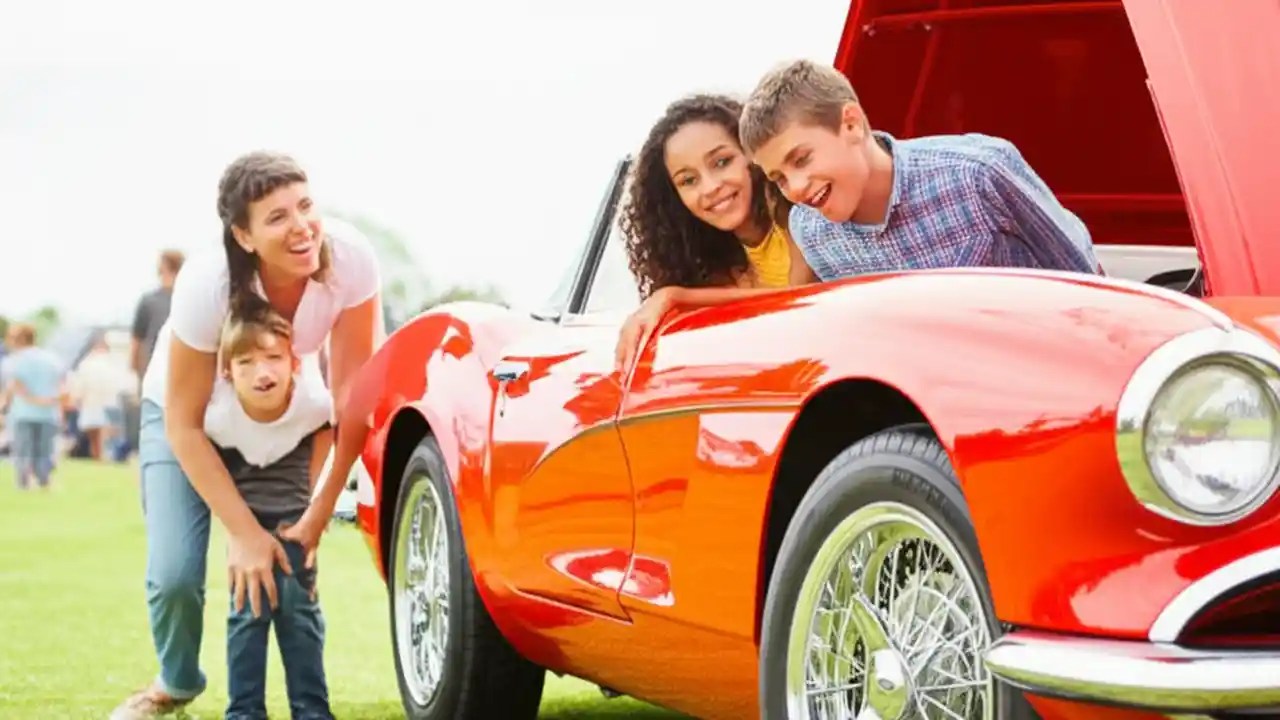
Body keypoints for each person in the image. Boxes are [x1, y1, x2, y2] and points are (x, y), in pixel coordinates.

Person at [111, 151, 382, 720]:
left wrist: (318, 512)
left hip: (276, 418)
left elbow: (353, 398)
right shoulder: (207, 282)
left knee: (288, 576)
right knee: (175, 577)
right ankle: (177, 680)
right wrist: (241, 533)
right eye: (277, 216)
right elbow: (184, 424)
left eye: (306, 206)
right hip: (187, 419)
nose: (302, 225)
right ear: (244, 235)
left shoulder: (350, 260)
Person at [739, 59, 1101, 283]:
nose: (797, 188)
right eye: (779, 178)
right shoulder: (812, 232)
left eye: (801, 159)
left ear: (850, 124)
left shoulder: (979, 173)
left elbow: (1086, 279)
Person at [614, 94, 819, 371]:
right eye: (688, 180)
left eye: (722, 162)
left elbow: (799, 302)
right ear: (676, 198)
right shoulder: (710, 264)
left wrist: (675, 297)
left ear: (751, 154)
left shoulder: (794, 209)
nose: (710, 187)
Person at [207, 296, 335, 720]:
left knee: (300, 617)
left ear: (293, 364)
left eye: (273, 358)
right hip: (247, 530)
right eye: (245, 362)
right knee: (247, 617)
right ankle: (244, 711)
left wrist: (313, 507)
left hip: (294, 528)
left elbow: (328, 434)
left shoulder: (313, 405)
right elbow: (206, 465)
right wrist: (237, 532)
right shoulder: (218, 417)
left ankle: (312, 710)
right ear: (227, 373)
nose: (262, 372)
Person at [2, 323, 65, 490]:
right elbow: (61, 384)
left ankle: (24, 484)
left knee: (23, 450)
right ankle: (44, 481)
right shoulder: (51, 358)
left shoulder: (14, 360)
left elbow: (14, 386)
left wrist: (4, 408)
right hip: (48, 412)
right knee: (44, 451)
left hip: (22, 412)